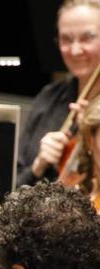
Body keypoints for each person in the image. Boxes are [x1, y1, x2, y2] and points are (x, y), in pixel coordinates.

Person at [17, 0, 100, 186]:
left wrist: (88, 136)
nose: (76, 50)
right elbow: (14, 183)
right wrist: (38, 166)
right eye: (66, 39)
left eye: (88, 37)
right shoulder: (49, 98)